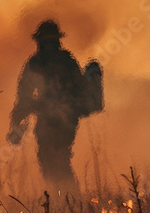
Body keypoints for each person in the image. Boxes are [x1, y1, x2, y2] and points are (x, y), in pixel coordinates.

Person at [7, 20, 103, 190]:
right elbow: (80, 86)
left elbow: (24, 97)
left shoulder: (36, 63)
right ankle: (69, 200)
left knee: (51, 162)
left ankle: (65, 200)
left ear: (39, 40)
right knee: (59, 159)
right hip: (67, 121)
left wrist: (16, 123)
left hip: (51, 121)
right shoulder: (67, 60)